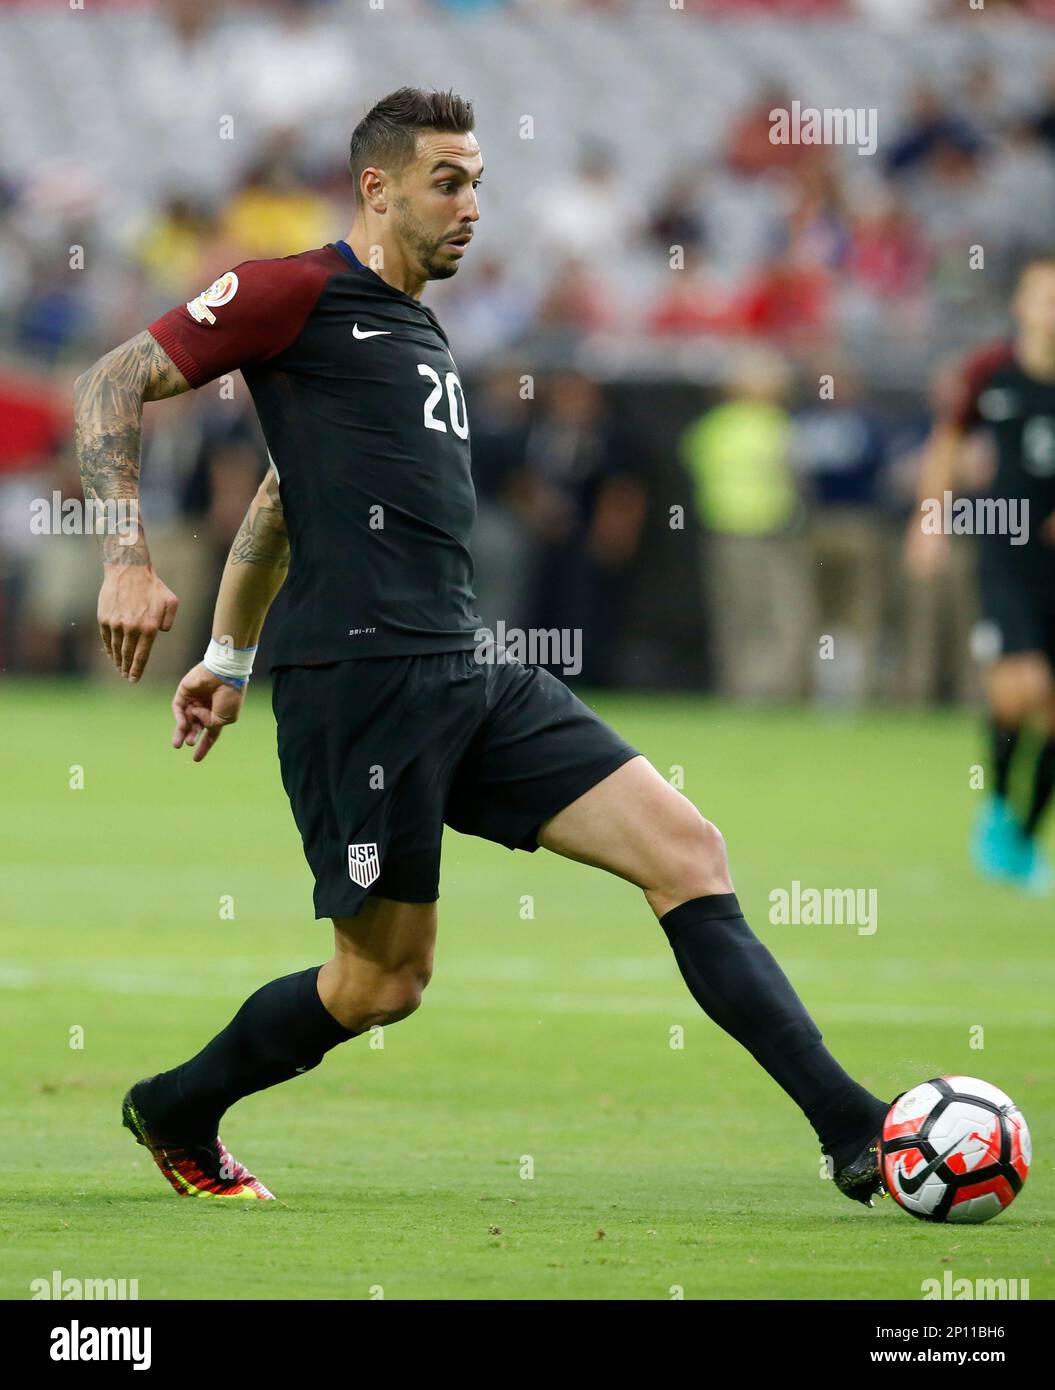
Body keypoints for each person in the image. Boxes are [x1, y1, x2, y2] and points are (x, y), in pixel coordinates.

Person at [74, 87, 891, 1206]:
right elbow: (111, 381)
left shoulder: (418, 328)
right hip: (359, 686)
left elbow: (279, 497)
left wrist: (227, 652)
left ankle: (854, 1131)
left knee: (686, 851)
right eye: (446, 182)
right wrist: (128, 555)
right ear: (377, 187)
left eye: (477, 185)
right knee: (379, 985)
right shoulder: (295, 290)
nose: (470, 207)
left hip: (466, 666)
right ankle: (176, 1105)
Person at [906, 255, 1055, 894]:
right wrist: (930, 519)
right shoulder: (991, 372)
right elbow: (947, 442)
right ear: (1021, 304)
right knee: (1020, 687)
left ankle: (1022, 839)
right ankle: (995, 807)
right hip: (1006, 552)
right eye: (1042, 294)